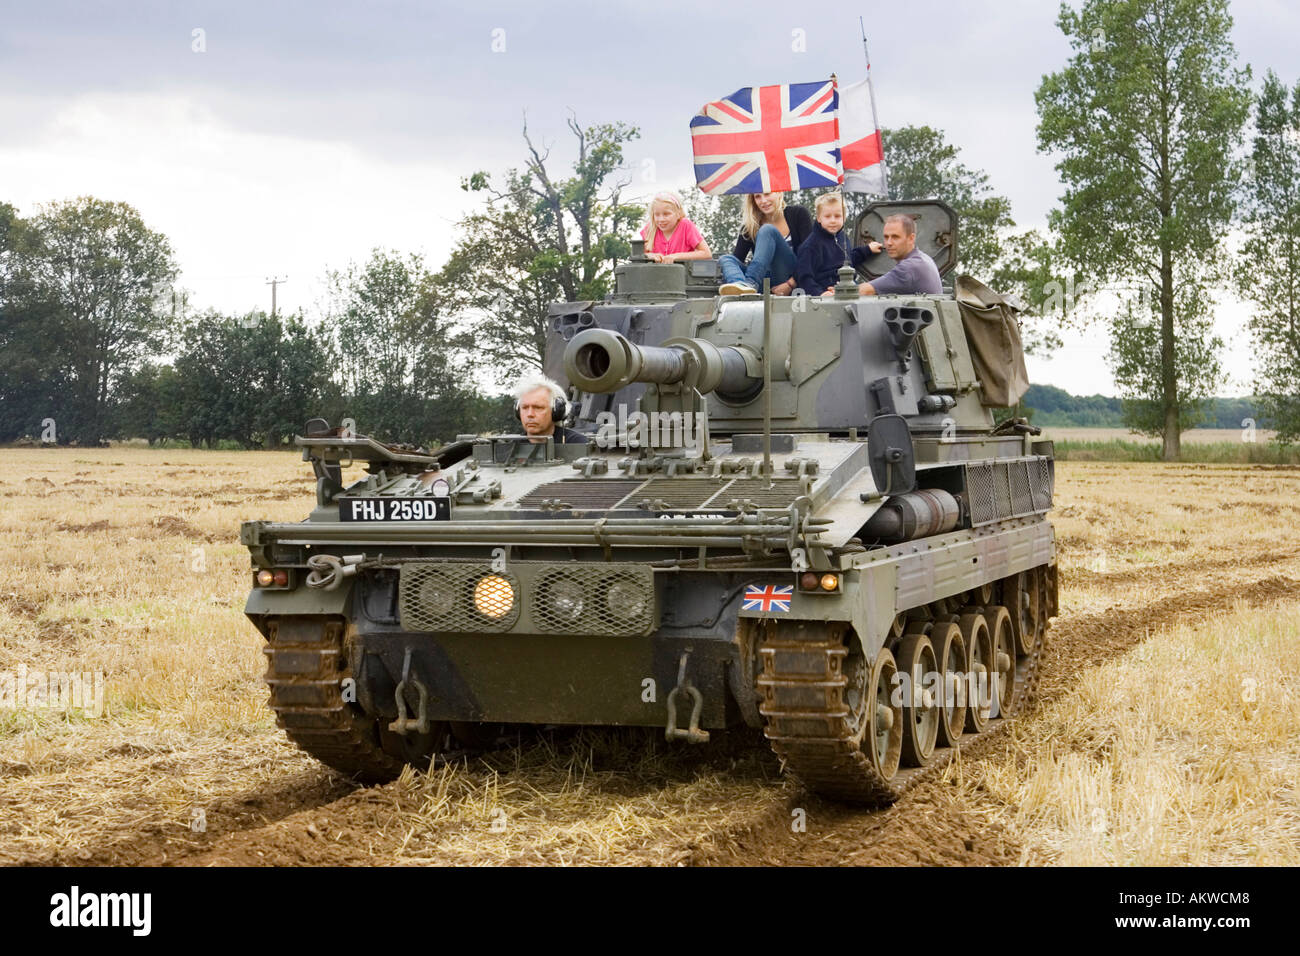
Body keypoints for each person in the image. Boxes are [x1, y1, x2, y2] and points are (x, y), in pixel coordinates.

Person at [717, 192, 813, 296]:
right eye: (757, 196)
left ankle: (750, 283)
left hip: (789, 277)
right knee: (726, 259)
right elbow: (737, 261)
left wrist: (791, 284)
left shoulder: (798, 214)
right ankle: (741, 288)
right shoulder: (750, 225)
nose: (763, 201)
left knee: (767, 230)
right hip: (763, 282)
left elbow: (809, 257)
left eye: (767, 194)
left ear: (779, 193)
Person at [794, 191, 874, 297]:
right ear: (819, 218)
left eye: (837, 216)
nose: (833, 220)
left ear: (844, 217)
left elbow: (849, 259)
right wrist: (820, 293)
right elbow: (804, 277)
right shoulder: (810, 246)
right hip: (825, 293)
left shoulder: (843, 237)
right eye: (827, 216)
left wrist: (867, 250)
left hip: (848, 287)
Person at [858, 214, 943, 296]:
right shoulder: (924, 258)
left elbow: (862, 292)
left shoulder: (909, 268)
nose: (889, 243)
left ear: (911, 238)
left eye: (895, 237)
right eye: (886, 237)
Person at [640, 191, 712, 263]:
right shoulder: (649, 229)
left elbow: (706, 253)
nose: (661, 219)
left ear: (678, 213)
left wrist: (675, 256)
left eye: (666, 214)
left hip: (683, 273)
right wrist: (650, 256)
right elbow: (639, 256)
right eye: (657, 215)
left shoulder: (686, 226)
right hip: (655, 273)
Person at [514, 374, 586, 444]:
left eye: (538, 408)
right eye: (525, 408)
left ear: (557, 411)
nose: (530, 414)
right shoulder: (510, 449)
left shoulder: (580, 444)